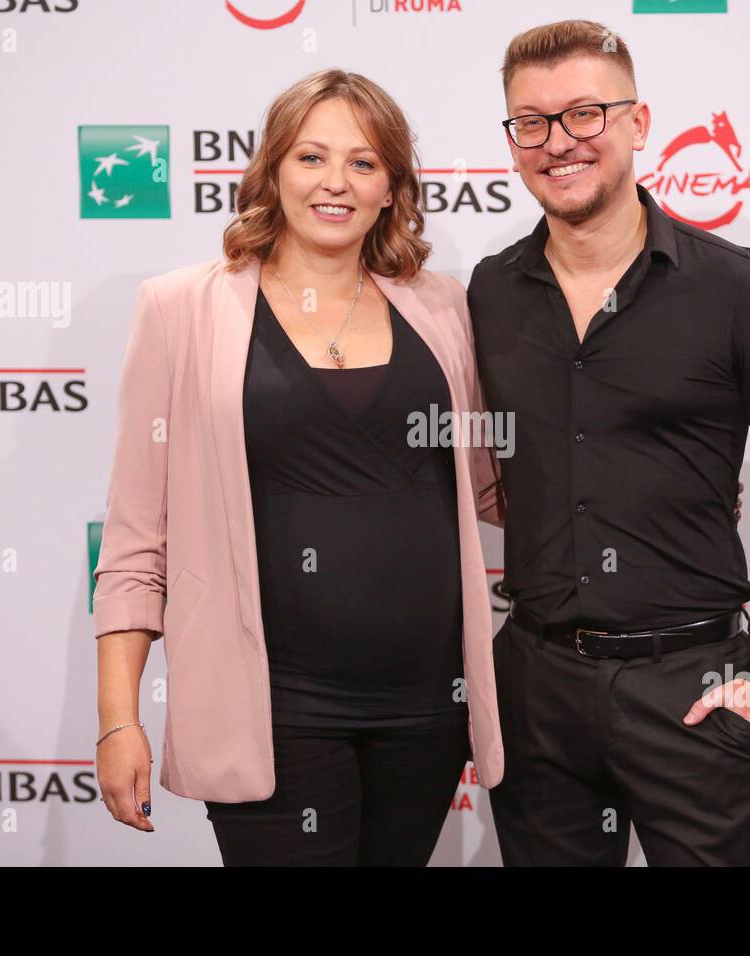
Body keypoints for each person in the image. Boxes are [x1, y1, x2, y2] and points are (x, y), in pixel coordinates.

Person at [90, 68, 505, 866]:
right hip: (270, 711)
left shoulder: (443, 308)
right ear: (272, 170)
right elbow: (138, 536)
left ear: (392, 187)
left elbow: (493, 485)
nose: (336, 183)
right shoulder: (182, 311)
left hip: (426, 707)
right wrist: (119, 718)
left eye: (363, 162)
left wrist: (653, 487)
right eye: (312, 158)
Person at [467, 20, 750, 866]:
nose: (558, 143)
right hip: (536, 689)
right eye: (531, 122)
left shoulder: (738, 288)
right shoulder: (491, 292)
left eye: (585, 114)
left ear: (639, 125)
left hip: (695, 688)